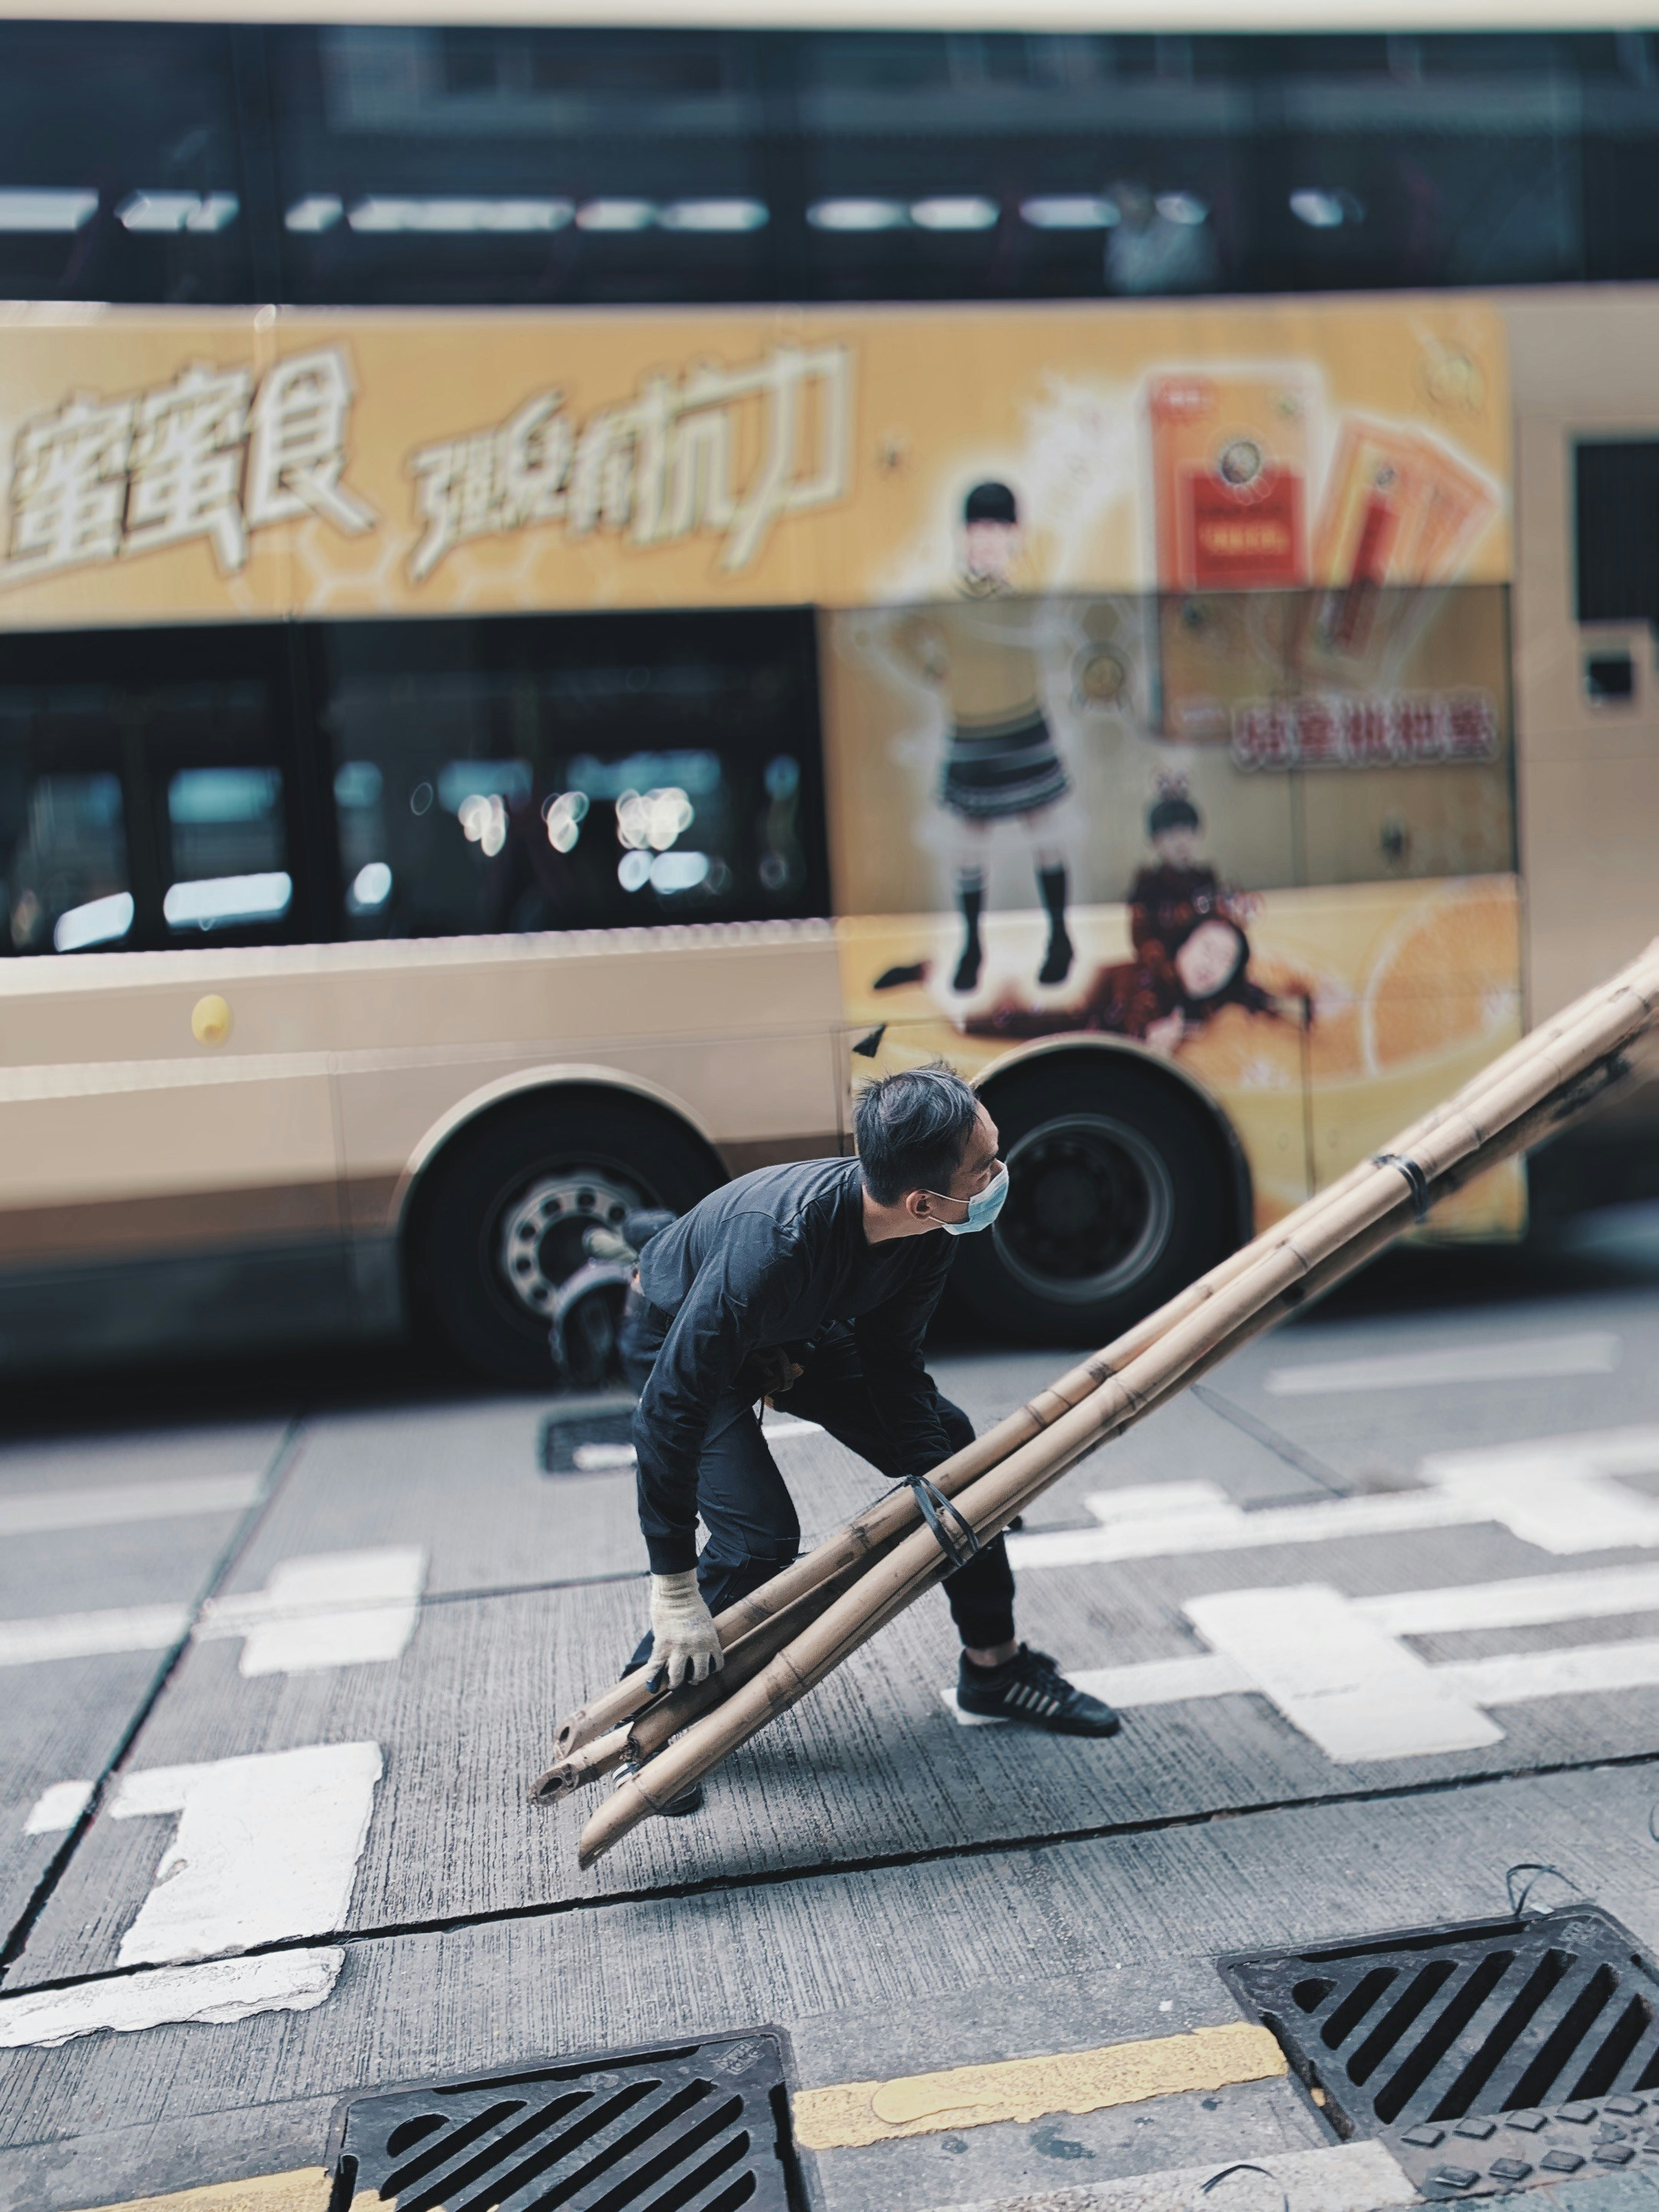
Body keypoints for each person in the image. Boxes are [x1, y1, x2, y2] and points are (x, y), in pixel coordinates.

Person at [621, 1063, 1123, 1812]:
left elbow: (894, 1365)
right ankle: (643, 1724)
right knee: (758, 1538)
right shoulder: (774, 1249)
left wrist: (950, 1493)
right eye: (985, 1166)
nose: (998, 1175)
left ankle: (996, 1668)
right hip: (680, 1339)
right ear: (923, 1197)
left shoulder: (928, 1229)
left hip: (794, 1332)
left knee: (961, 1460)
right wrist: (673, 1584)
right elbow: (668, 1410)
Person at [889, 483, 1074, 992]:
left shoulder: (1031, 592)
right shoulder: (944, 598)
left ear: (1015, 536)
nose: (989, 539)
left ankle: (1060, 936)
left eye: (1000, 529)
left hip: (1026, 728)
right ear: (963, 535)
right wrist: (932, 667)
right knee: (969, 849)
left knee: (1047, 838)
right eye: (979, 529)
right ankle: (972, 945)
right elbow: (899, 631)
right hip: (971, 734)